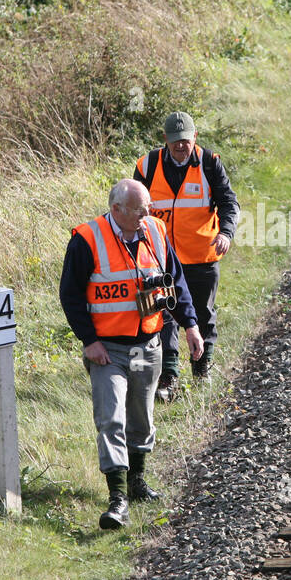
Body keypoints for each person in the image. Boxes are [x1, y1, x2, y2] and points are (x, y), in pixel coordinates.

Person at [59, 179, 203, 530]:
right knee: (111, 418)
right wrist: (88, 340)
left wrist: (191, 325)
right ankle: (117, 499)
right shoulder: (86, 240)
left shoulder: (155, 231)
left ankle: (137, 481)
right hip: (107, 351)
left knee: (141, 414)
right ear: (116, 210)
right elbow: (70, 295)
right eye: (139, 210)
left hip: (146, 345)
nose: (146, 214)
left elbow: (176, 282)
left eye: (148, 208)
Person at [134, 111, 239, 402]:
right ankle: (168, 376)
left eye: (186, 140)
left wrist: (226, 234)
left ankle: (202, 367)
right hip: (160, 259)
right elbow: (134, 208)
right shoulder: (147, 166)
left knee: (202, 314)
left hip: (202, 255)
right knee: (164, 314)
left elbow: (229, 202)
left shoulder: (209, 163)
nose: (181, 146)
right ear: (166, 139)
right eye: (176, 141)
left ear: (194, 137)